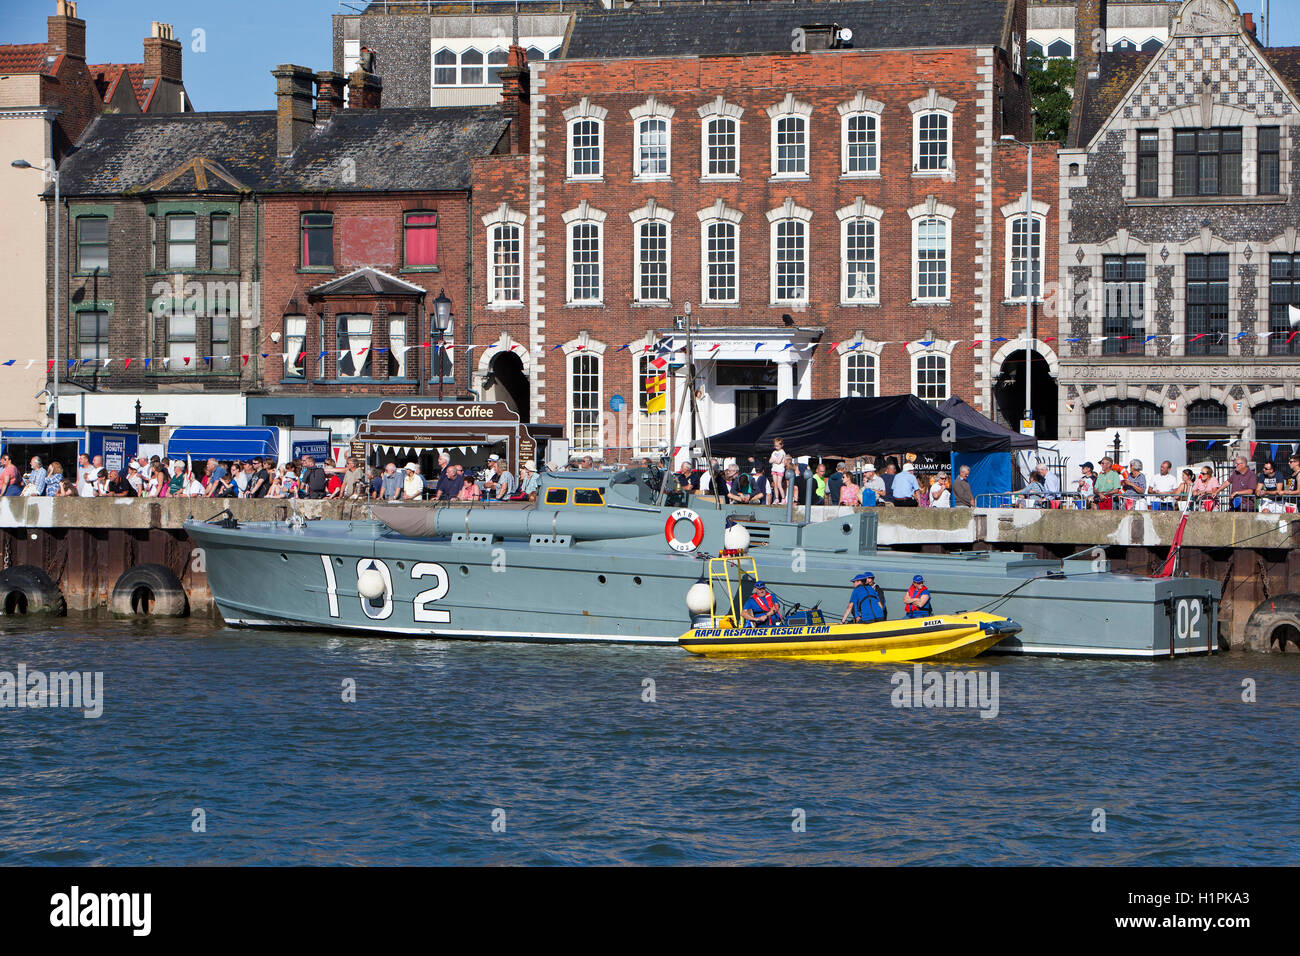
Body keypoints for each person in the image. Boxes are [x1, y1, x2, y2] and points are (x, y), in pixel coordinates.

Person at [769, 438, 787, 505]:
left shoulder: (782, 452)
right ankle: (776, 498)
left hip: (780, 470)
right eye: (775, 446)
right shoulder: (774, 452)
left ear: (781, 445)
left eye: (777, 446)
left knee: (779, 484)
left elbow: (779, 461)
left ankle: (783, 499)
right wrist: (774, 460)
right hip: (774, 469)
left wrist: (774, 459)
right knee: (775, 485)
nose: (776, 447)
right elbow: (770, 460)